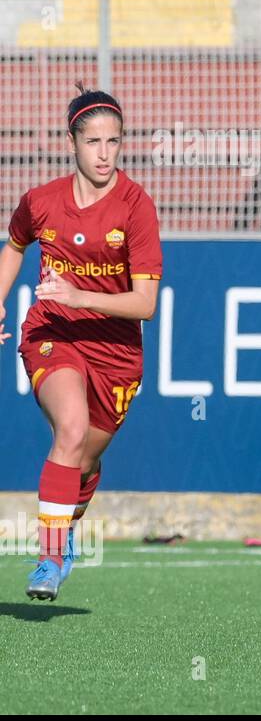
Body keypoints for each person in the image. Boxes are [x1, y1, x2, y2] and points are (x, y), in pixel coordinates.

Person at [0, 83, 163, 601]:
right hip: (53, 332)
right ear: (72, 141)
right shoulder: (41, 202)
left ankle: (64, 525)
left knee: (85, 458)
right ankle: (49, 558)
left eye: (113, 142)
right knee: (69, 430)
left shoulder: (136, 207)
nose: (104, 154)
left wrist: (80, 293)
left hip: (116, 353)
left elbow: (145, 305)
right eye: (93, 142)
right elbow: (15, 244)